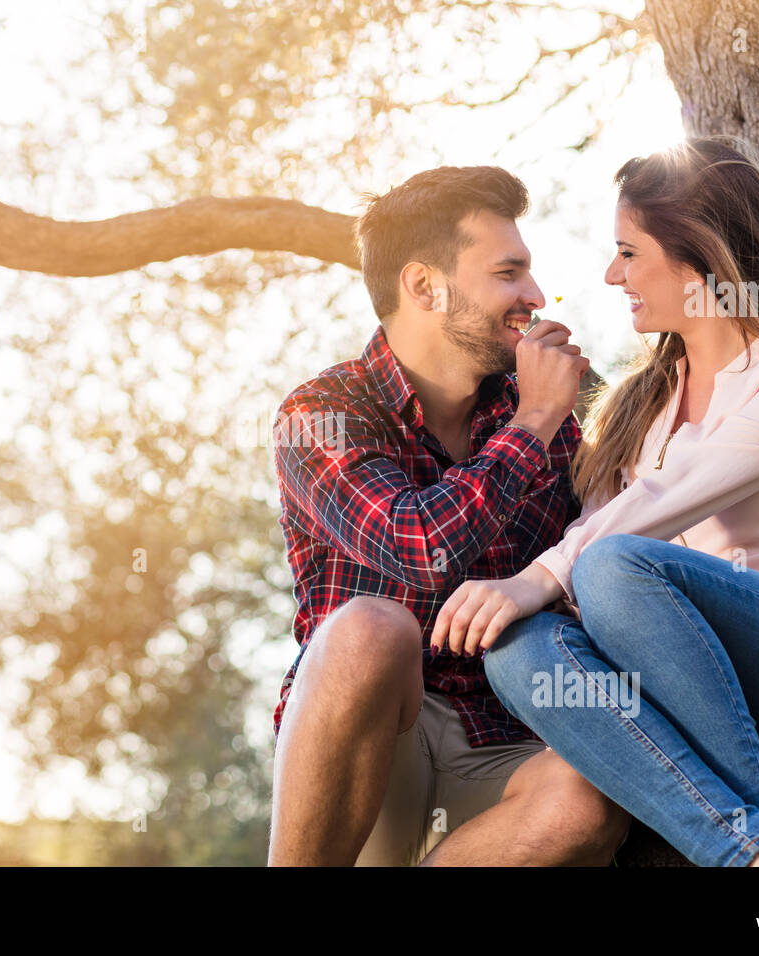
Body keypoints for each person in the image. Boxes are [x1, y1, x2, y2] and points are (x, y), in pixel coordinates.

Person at [431, 136, 759, 867]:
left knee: (606, 567)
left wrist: (537, 576)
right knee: (519, 647)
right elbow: (600, 565)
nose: (611, 274)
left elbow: (664, 504)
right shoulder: (642, 411)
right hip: (750, 735)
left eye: (629, 252)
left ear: (697, 254)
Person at [266, 165, 630, 865]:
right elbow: (418, 543)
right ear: (425, 286)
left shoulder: (555, 415)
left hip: (498, 757)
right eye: (508, 272)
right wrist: (533, 426)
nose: (534, 295)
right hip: (365, 771)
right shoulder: (320, 415)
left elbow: (625, 533)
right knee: (373, 629)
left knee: (594, 793)